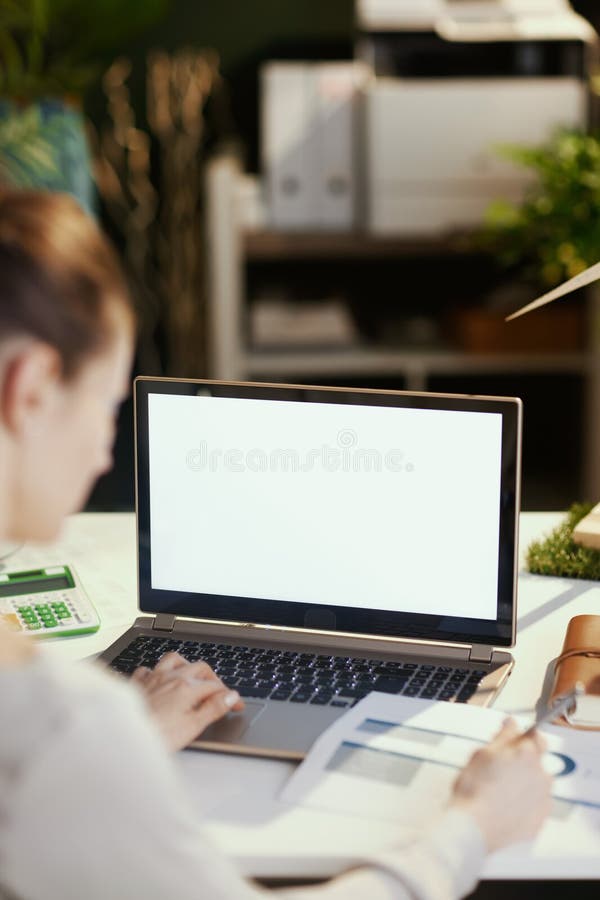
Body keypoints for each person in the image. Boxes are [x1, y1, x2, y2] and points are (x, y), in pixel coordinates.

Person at [0, 189, 551, 900]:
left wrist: (126, 746)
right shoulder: (65, 725)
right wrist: (474, 826)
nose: (107, 452)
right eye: (108, 406)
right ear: (32, 388)